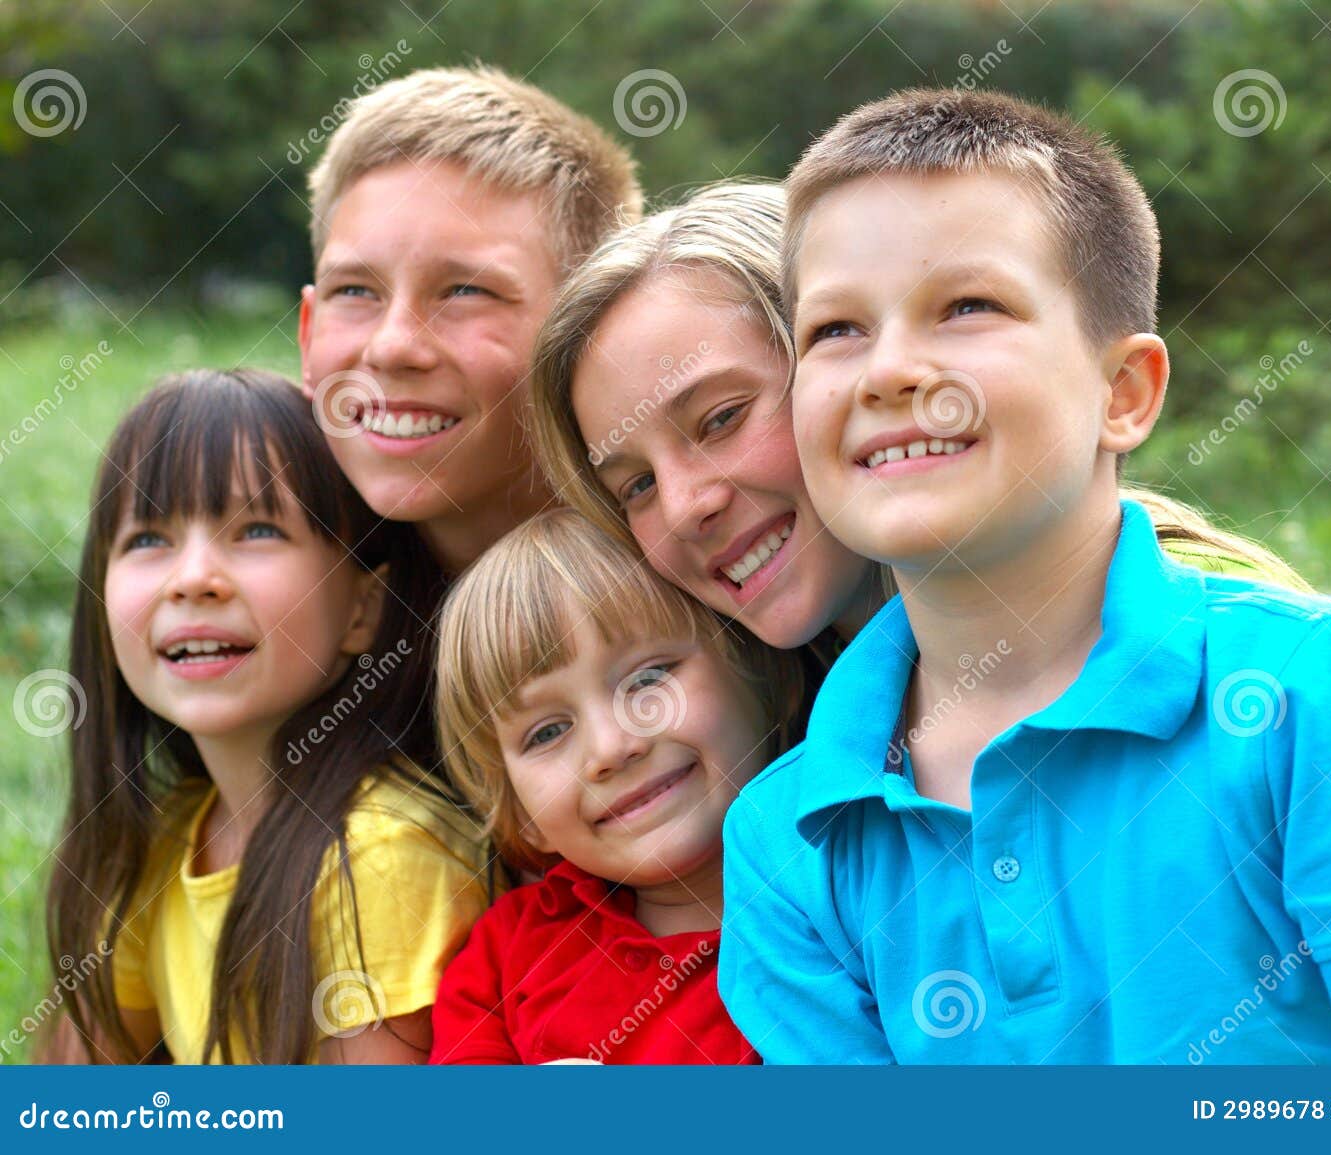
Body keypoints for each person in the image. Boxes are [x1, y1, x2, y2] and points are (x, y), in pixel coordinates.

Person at [718, 89, 1331, 1065]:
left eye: (966, 307)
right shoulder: (788, 843)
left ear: (1123, 394)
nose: (889, 370)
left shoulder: (1314, 688)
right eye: (835, 330)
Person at [527, 181, 1305, 662]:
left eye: (723, 418)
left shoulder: (1230, 636)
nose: (687, 504)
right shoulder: (757, 743)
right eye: (634, 485)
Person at [45, 369, 490, 1064]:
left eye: (255, 529)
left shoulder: (377, 856)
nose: (193, 577)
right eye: (147, 539)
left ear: (362, 610)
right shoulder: (158, 841)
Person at [428, 510, 802, 1064]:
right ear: (521, 811)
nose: (611, 747)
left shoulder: (852, 892)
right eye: (548, 732)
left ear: (756, 671)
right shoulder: (504, 961)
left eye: (648, 680)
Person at [298, 65, 643, 573]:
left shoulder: (699, 582)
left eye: (464, 291)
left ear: (589, 335)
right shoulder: (279, 604)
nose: (392, 346)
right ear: (307, 334)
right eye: (354, 290)